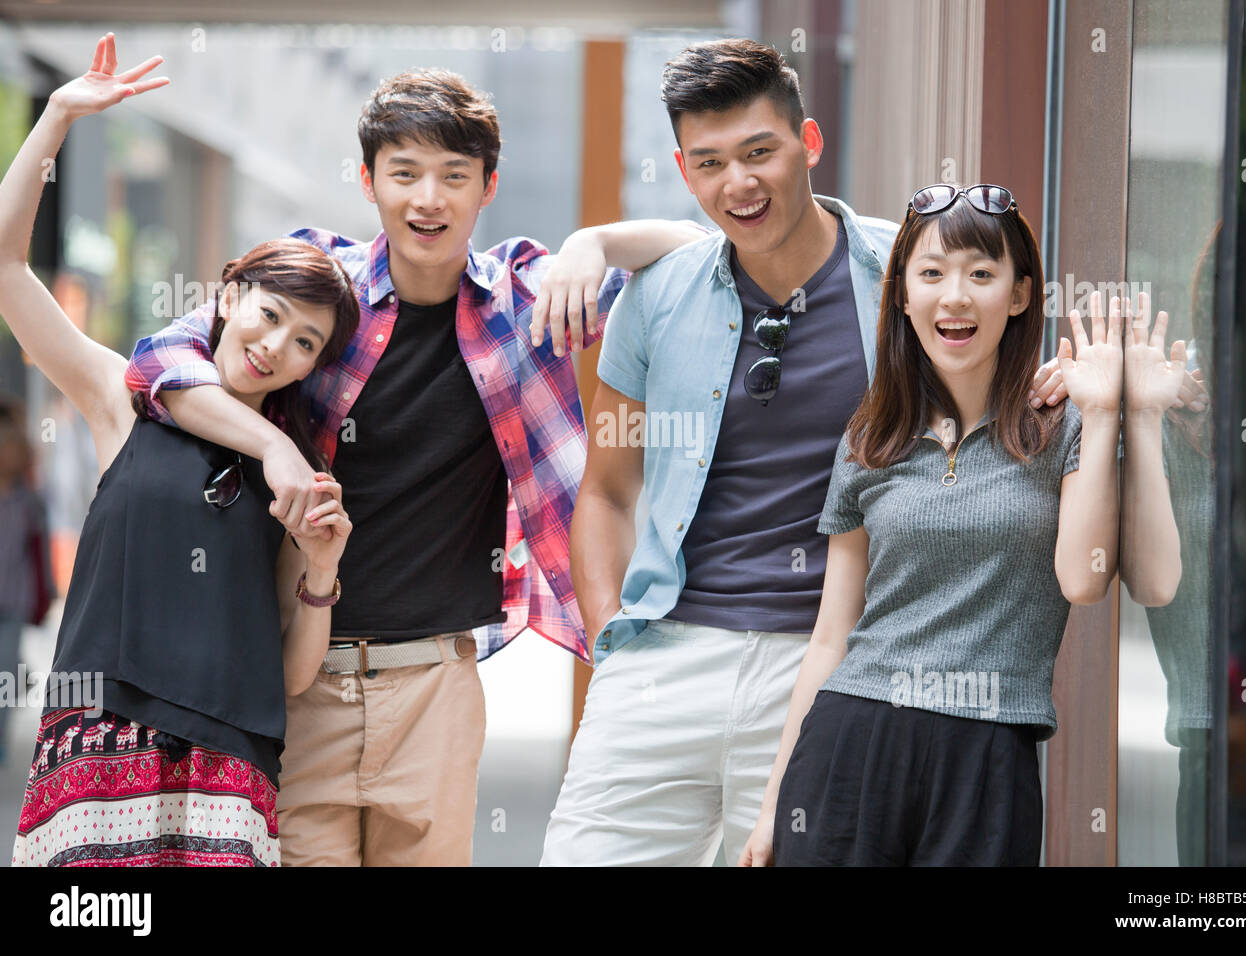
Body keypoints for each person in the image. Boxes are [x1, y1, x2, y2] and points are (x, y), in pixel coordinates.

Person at [124, 60, 705, 864]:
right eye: (404, 173)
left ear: (486, 187)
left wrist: (596, 241)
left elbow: (700, 253)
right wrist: (275, 450)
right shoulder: (320, 294)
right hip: (296, 678)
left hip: (435, 686)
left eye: (452, 175)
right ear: (369, 182)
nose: (427, 198)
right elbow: (157, 363)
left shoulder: (526, 300)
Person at [541, 41, 1069, 867]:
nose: (738, 184)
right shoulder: (658, 296)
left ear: (809, 143)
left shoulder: (902, 274)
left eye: (760, 152)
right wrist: (614, 643)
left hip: (829, 671)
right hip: (663, 658)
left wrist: (1093, 388)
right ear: (684, 171)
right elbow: (608, 493)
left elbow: (996, 358)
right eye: (710, 163)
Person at [739, 182, 1184, 866]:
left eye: (981, 273)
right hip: (851, 744)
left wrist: (1112, 417)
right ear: (903, 295)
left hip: (988, 758)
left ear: (1019, 294)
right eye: (932, 273)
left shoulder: (1063, 427)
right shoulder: (871, 437)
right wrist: (773, 804)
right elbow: (831, 636)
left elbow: (1083, 579)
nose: (956, 295)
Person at [3, 34, 358, 867]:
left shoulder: (297, 474)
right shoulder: (120, 397)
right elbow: (8, 266)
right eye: (269, 315)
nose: (276, 347)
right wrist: (55, 114)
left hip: (228, 762)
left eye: (305, 342)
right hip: (97, 742)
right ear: (230, 296)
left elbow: (295, 674)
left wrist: (320, 571)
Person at [0, 401, 49, 767]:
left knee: (4, 672)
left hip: (12, 600)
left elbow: (38, 552)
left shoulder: (29, 502)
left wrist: (43, 595)